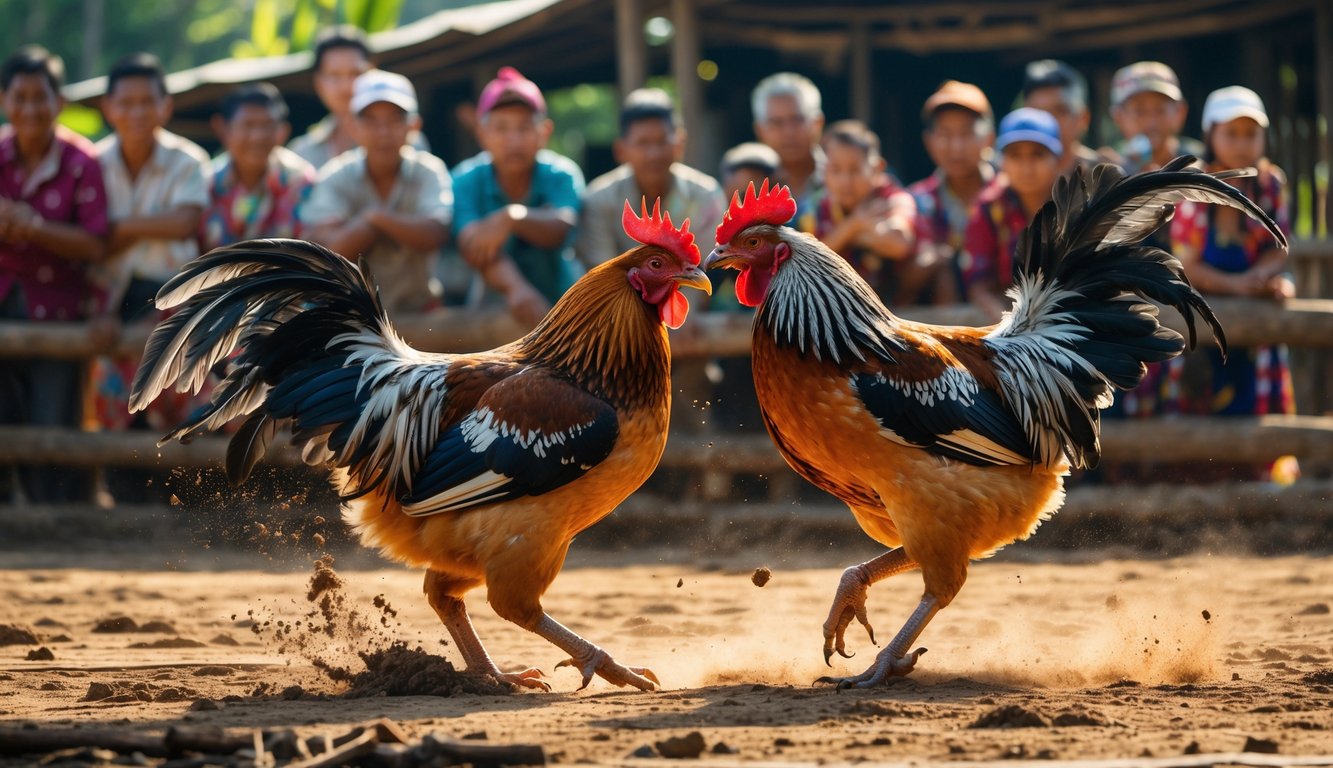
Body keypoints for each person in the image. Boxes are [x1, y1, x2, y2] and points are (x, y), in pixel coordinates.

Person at [0, 45, 108, 503]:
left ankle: (58, 520)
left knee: (53, 421)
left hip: (60, 310)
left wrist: (35, 227)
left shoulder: (82, 162)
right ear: (5, 100)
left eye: (39, 97)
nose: (29, 108)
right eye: (19, 97)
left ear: (59, 101)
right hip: (5, 302)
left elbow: (96, 243)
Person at [1172, 86, 1295, 481]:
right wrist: (1240, 285)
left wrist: (1260, 277)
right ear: (1211, 136)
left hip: (1252, 309)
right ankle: (1207, 481)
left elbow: (1279, 246)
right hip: (1203, 314)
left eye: (1251, 134)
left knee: (1253, 396)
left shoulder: (1271, 184)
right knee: (1205, 392)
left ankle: (1256, 480)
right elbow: (1186, 264)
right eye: (1232, 133)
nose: (1243, 144)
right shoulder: (1194, 187)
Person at [302, 69, 452, 318]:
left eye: (394, 120)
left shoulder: (429, 170)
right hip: (353, 318)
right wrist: (380, 223)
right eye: (371, 120)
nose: (383, 132)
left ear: (414, 125)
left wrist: (375, 219)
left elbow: (436, 233)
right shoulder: (336, 175)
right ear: (353, 126)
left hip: (420, 313)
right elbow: (331, 251)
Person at [452, 67, 584, 327]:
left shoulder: (562, 175)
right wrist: (516, 288)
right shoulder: (465, 180)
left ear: (544, 132)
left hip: (565, 307)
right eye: (501, 128)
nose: (513, 139)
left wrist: (511, 218)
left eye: (524, 127)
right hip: (490, 311)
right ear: (482, 133)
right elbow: (473, 246)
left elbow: (560, 228)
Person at [576, 87, 724, 268]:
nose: (653, 154)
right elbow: (603, 275)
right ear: (620, 150)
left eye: (662, 141)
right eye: (643, 143)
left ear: (679, 144)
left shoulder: (706, 194)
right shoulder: (598, 199)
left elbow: (706, 270)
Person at [959, 108, 1061, 321]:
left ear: (1058, 160)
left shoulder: (1076, 206)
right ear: (1002, 161)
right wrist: (1009, 324)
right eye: (1015, 156)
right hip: (1007, 317)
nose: (1026, 167)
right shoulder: (989, 208)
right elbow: (979, 286)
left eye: (1037, 154)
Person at [811, 120, 921, 305]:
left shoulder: (894, 198)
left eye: (855, 170)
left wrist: (844, 236)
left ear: (877, 168)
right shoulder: (817, 207)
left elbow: (899, 243)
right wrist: (855, 224)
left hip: (897, 298)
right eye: (835, 170)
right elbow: (811, 261)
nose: (845, 181)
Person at [288, 26, 427, 171]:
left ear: (372, 72)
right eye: (334, 76)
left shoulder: (408, 141)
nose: (346, 87)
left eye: (355, 73)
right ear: (318, 83)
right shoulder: (301, 154)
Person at [907, 80, 995, 306]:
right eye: (945, 134)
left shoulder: (1008, 195)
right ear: (929, 141)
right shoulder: (914, 201)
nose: (956, 147)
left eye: (966, 133)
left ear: (989, 139)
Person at [200, 83, 316, 251]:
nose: (258, 136)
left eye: (268, 125)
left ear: (282, 130)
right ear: (223, 129)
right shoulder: (206, 182)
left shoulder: (300, 181)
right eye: (248, 125)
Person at [751, 72, 824, 226]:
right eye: (776, 122)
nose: (788, 132)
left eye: (797, 119)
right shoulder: (748, 186)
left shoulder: (851, 179)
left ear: (817, 123)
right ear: (760, 130)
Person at [1107, 61, 1204, 175]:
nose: (1151, 121)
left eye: (1160, 110)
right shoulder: (1108, 169)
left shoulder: (1205, 161)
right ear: (1118, 116)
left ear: (1180, 112)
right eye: (1139, 111)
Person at [1021, 59, 1113, 175]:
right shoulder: (1005, 182)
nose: (1047, 121)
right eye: (1037, 112)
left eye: (1060, 111)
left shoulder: (1104, 177)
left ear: (1083, 118)